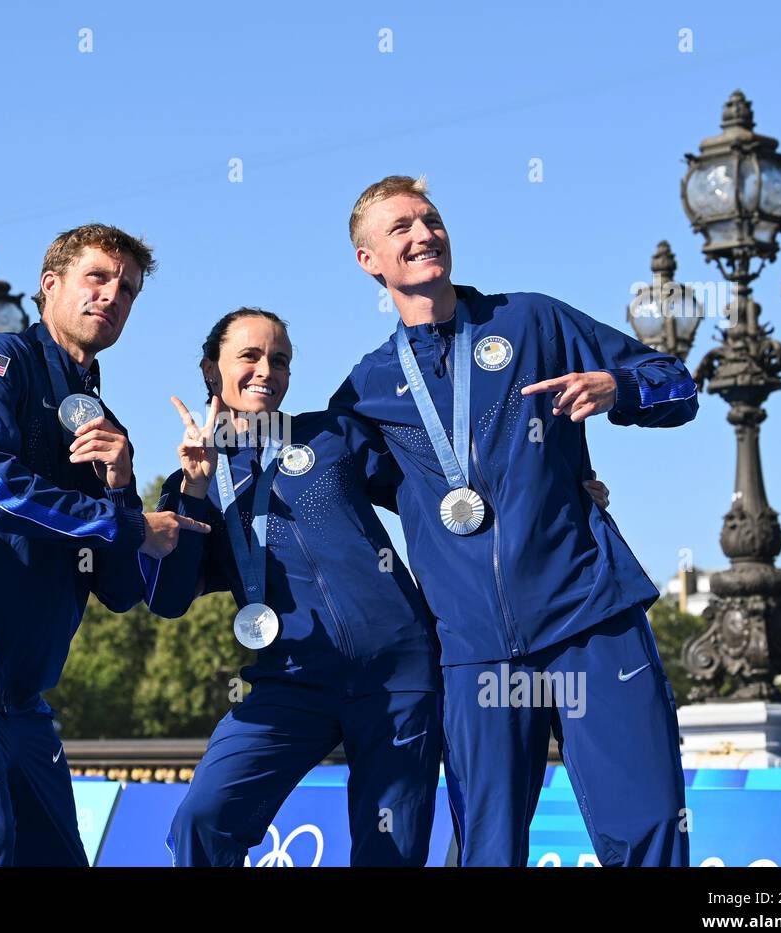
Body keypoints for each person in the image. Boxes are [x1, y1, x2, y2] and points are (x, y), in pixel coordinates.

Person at [147, 308, 612, 867]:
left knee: (389, 853)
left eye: (280, 359)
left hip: (399, 677)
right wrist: (194, 493)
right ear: (210, 368)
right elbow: (169, 598)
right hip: (289, 682)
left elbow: (447, 485)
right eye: (249, 356)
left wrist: (558, 486)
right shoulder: (192, 481)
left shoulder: (330, 435)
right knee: (205, 816)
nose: (266, 370)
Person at [331, 175, 698, 867]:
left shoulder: (530, 320)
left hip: (589, 617)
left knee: (646, 830)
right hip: (474, 650)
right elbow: (318, 478)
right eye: (401, 227)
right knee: (488, 853)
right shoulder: (368, 387)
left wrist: (620, 388)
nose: (423, 234)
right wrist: (232, 439)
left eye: (431, 219)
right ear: (368, 260)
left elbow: (677, 385)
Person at [0, 223, 206, 866]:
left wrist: (120, 485)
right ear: (50, 286)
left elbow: (115, 589)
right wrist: (134, 526)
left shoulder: (103, 421)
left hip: (24, 696)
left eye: (128, 290)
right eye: (97, 278)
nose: (112, 296)